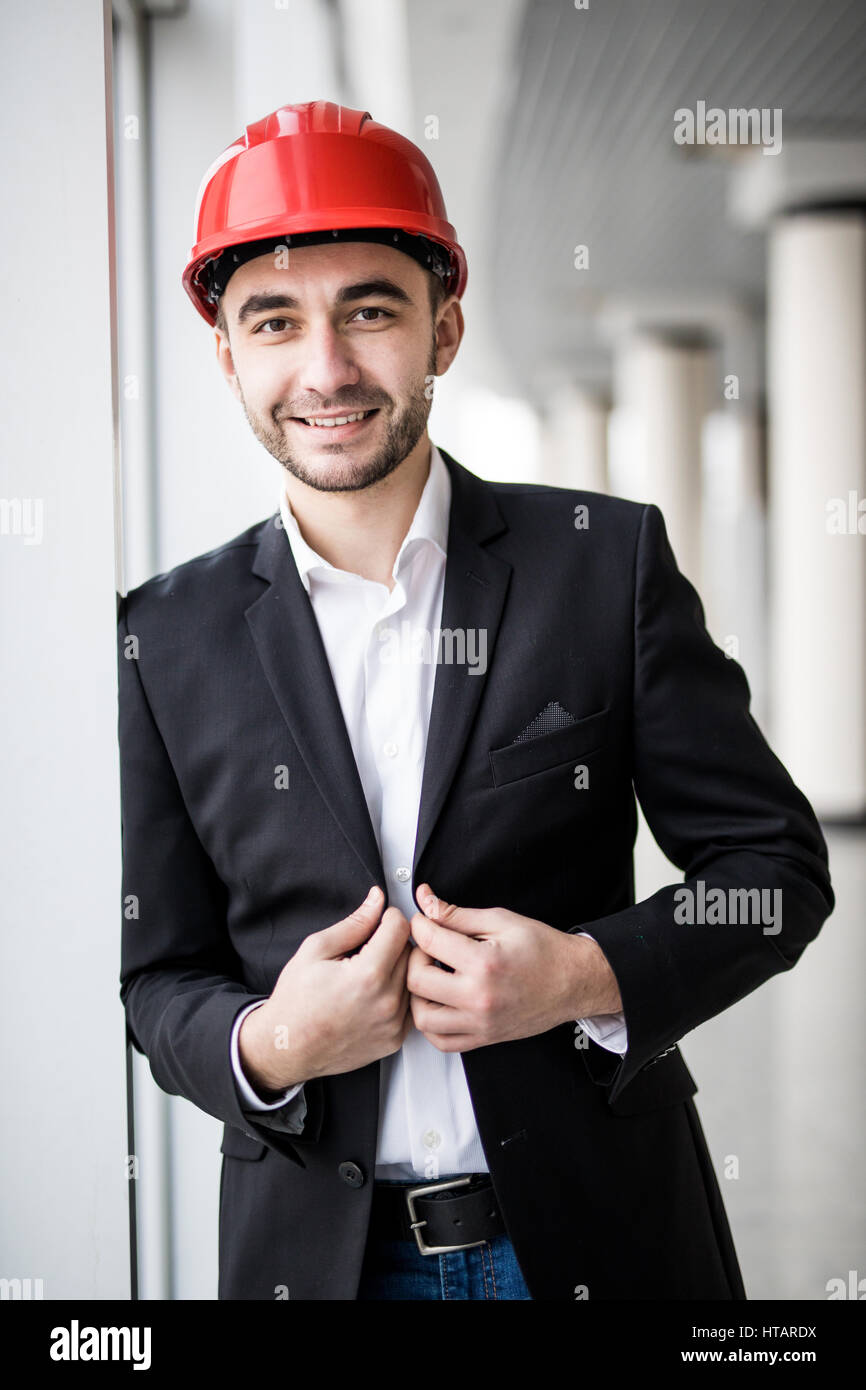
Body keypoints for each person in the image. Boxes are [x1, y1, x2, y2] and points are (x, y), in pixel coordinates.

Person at [117, 100, 834, 1302]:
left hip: (598, 1231)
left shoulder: (603, 565)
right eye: (276, 321)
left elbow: (772, 868)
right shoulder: (165, 636)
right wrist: (274, 1043)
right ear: (228, 353)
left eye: (372, 310)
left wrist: (584, 976)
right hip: (318, 1262)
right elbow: (158, 977)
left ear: (444, 329)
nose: (327, 367)